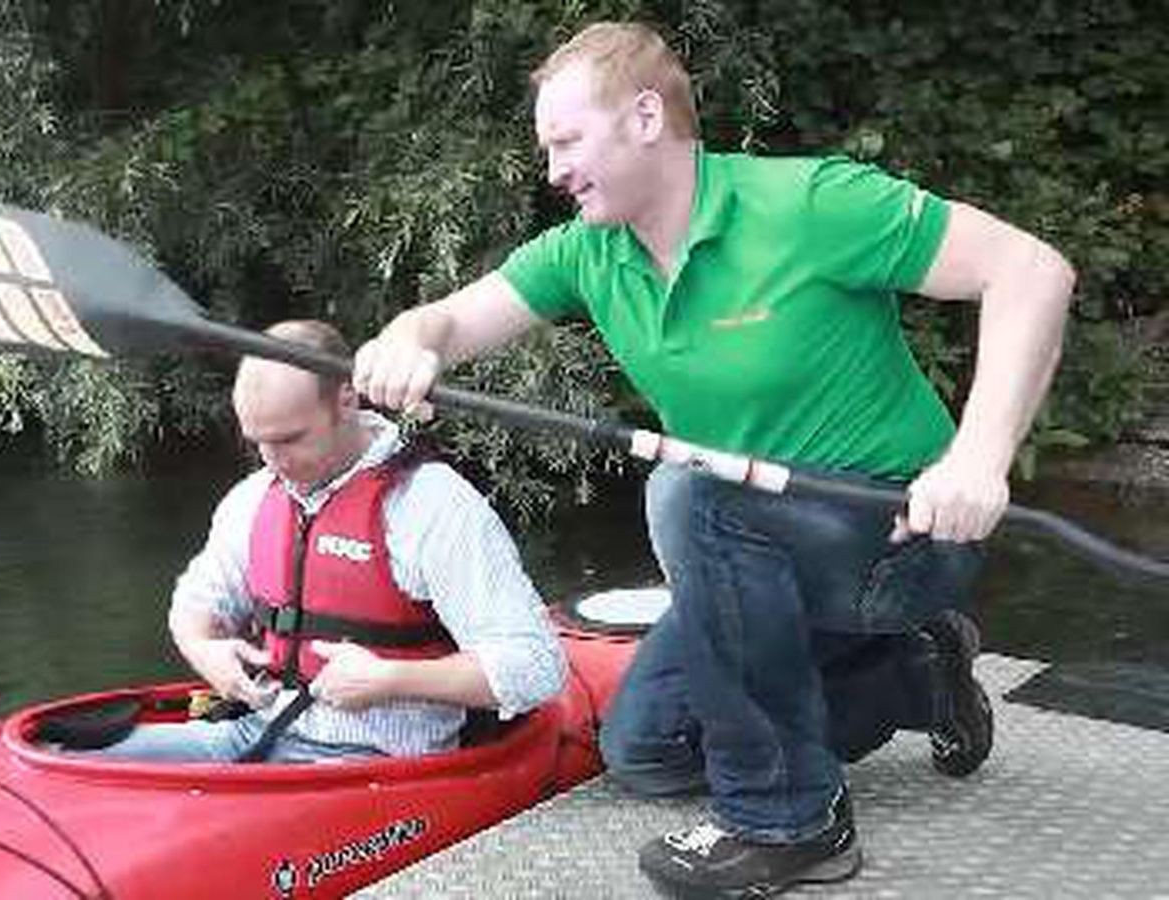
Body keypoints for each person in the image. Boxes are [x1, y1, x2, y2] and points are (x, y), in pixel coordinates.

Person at [352, 20, 1074, 898]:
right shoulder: (588, 251)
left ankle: (791, 822)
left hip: (901, 536)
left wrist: (979, 459)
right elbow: (453, 319)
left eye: (568, 141)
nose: (553, 170)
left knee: (687, 496)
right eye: (548, 148)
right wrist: (408, 339)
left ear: (647, 118)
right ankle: (917, 676)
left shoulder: (809, 203)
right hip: (757, 553)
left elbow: (1032, 270)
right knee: (644, 750)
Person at [99, 319, 567, 764]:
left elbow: (536, 667)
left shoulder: (430, 505)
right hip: (259, 734)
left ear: (346, 399)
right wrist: (208, 652)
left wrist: (390, 679)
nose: (272, 460)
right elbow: (194, 606)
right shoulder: (254, 498)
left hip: (379, 766)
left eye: (290, 439)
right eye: (257, 442)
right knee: (71, 756)